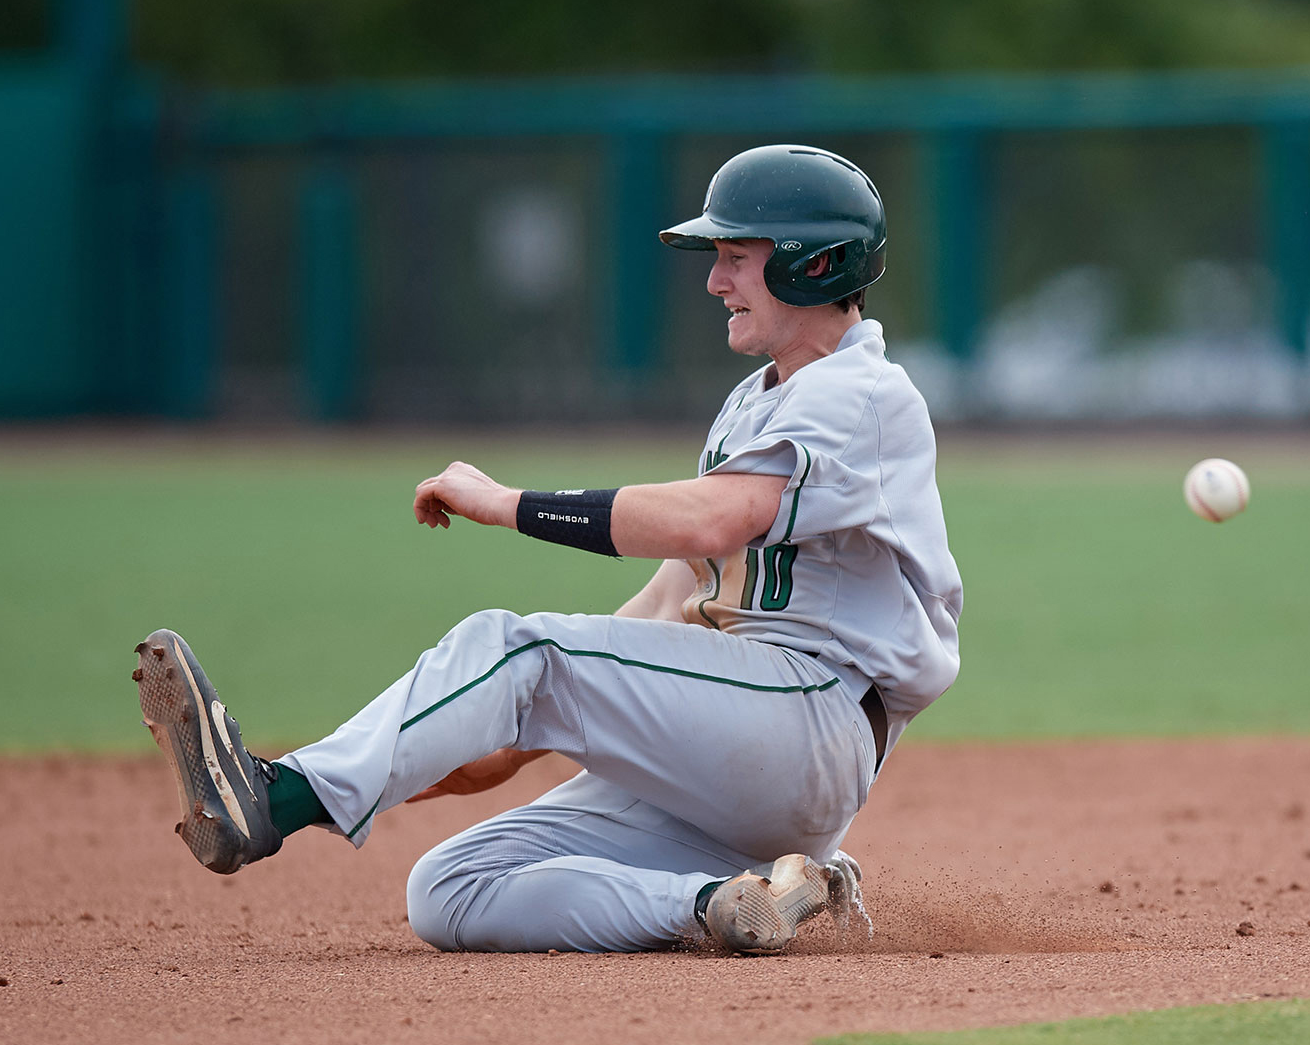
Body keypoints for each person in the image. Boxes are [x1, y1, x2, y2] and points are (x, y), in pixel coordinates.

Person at [132, 144, 962, 954]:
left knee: (514, 645)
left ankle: (275, 797)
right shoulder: (762, 399)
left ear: (812, 264)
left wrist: (507, 507)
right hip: (753, 751)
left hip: (808, 718)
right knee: (452, 887)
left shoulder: (861, 392)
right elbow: (682, 589)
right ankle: (730, 901)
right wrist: (500, 729)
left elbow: (710, 522)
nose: (716, 279)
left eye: (737, 255)